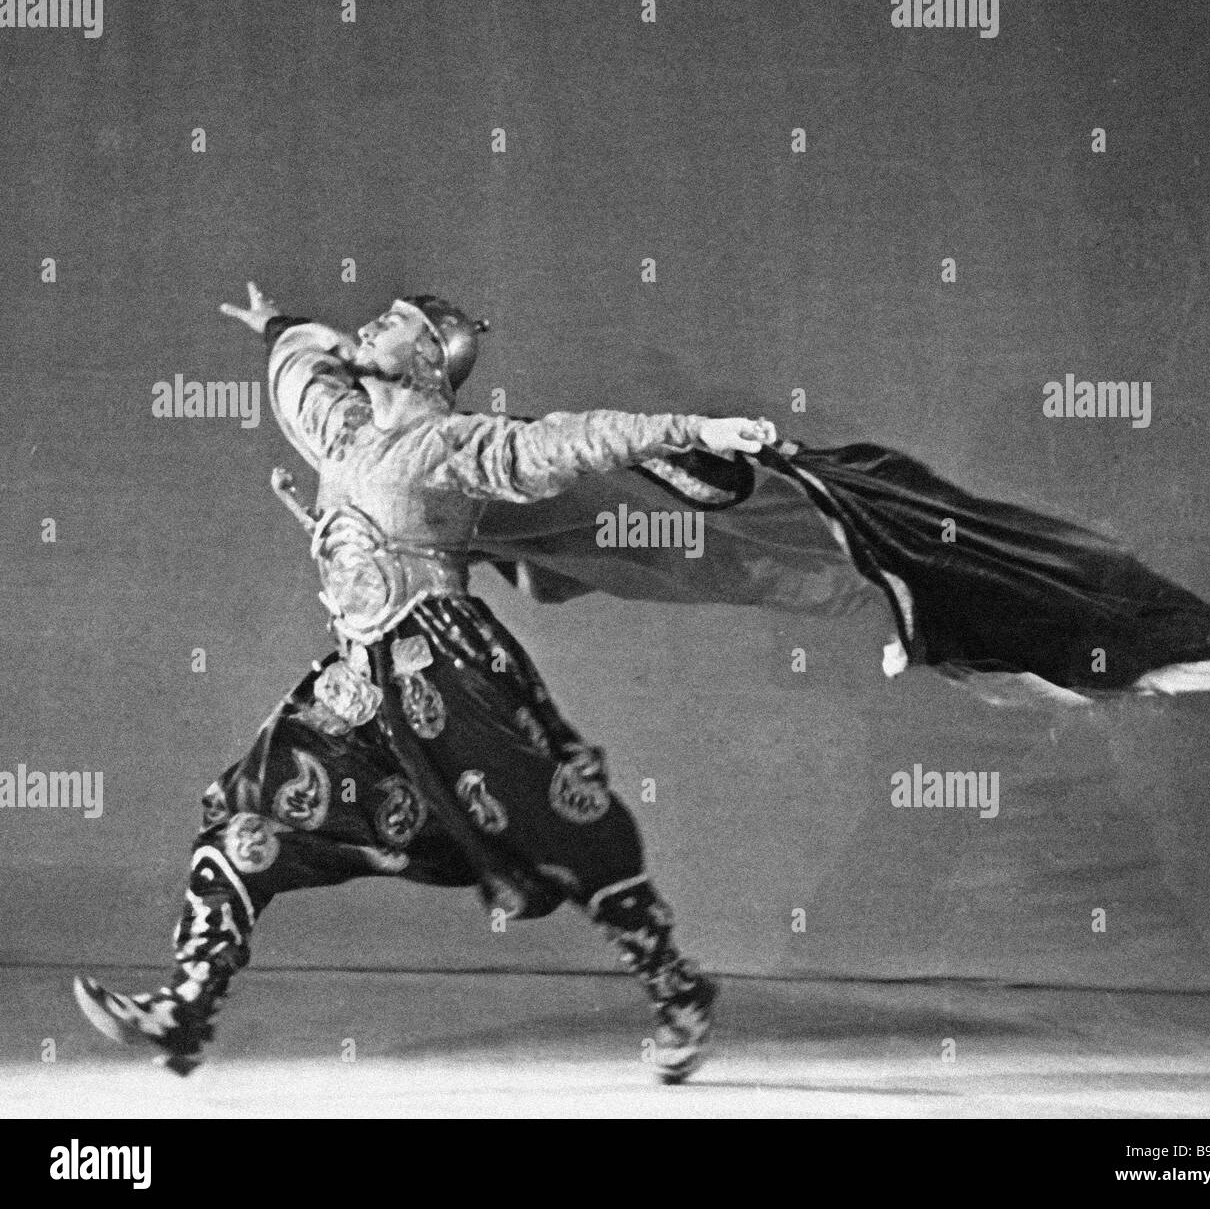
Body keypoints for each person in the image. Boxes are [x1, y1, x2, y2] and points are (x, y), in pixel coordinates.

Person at [75, 282, 777, 1083]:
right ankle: (186, 1006)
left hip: (448, 675)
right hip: (356, 685)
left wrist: (692, 431)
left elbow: (574, 439)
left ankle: (677, 988)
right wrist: (279, 324)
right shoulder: (343, 434)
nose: (367, 326)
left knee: (565, 827)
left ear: (429, 361)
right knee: (246, 809)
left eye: (391, 325)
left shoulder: (456, 444)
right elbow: (300, 375)